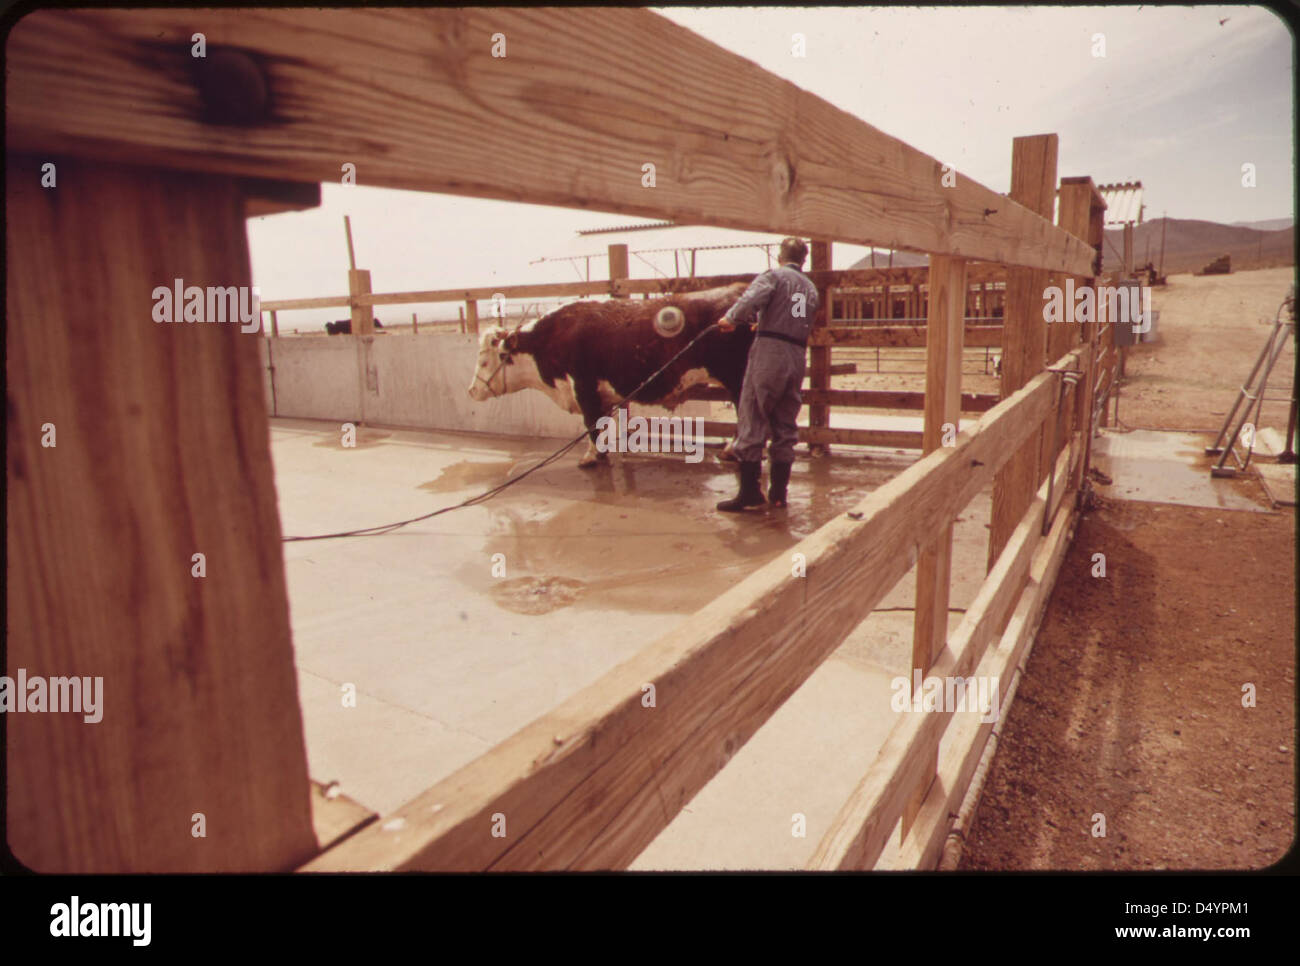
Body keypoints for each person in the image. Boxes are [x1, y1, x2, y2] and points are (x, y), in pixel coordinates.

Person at [715, 237, 820, 512]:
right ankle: (778, 494)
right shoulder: (810, 288)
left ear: (779, 256)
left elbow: (752, 299)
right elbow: (795, 315)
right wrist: (768, 322)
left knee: (753, 412)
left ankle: (750, 493)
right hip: (796, 354)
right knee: (785, 423)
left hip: (770, 353)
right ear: (804, 259)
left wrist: (731, 319)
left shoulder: (774, 276)